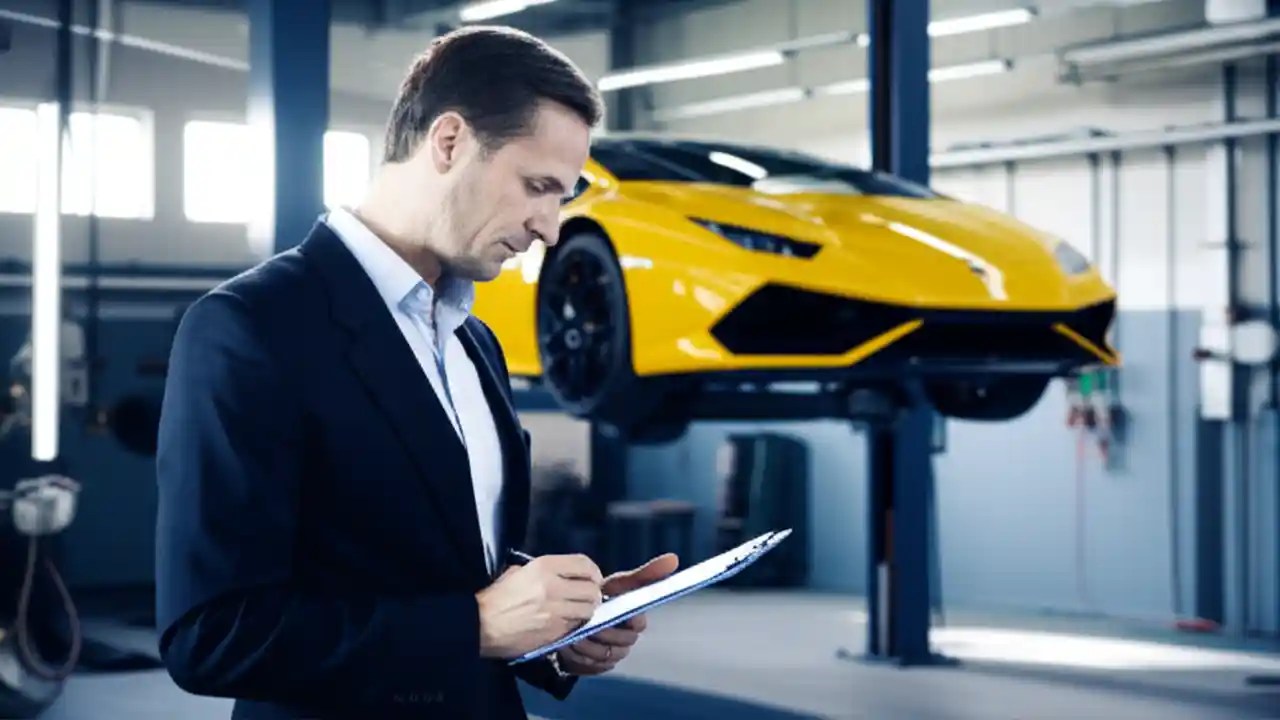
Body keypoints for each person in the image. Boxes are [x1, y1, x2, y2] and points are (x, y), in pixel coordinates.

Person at [154, 25, 679, 720]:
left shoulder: (475, 343)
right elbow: (211, 636)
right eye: (538, 186)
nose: (551, 227)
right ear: (450, 141)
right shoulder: (251, 328)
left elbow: (442, 562)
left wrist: (558, 622)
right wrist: (477, 625)